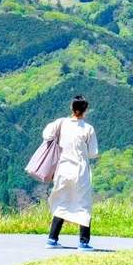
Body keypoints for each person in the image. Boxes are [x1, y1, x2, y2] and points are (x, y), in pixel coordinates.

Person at [46, 95, 100, 250]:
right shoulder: (88, 129)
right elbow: (93, 153)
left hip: (63, 169)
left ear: (72, 108)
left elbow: (46, 135)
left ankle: (52, 238)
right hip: (80, 171)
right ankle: (83, 242)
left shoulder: (61, 123)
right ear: (85, 110)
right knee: (83, 204)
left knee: (62, 201)